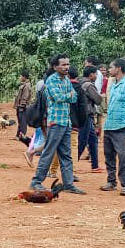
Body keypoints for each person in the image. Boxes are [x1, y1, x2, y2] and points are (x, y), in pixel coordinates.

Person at [29, 54, 86, 195]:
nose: (67, 67)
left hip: (65, 122)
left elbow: (74, 97)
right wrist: (68, 95)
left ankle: (68, 184)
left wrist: (67, 96)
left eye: (68, 64)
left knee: (66, 154)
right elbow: (60, 97)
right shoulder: (52, 80)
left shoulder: (65, 79)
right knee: (48, 152)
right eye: (63, 65)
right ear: (55, 67)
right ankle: (36, 181)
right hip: (56, 122)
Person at [100, 58, 125, 196]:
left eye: (111, 67)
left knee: (121, 155)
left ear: (118, 68)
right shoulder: (113, 84)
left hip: (121, 125)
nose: (109, 70)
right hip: (109, 124)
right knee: (108, 154)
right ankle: (111, 181)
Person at [78, 65, 102, 172]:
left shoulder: (80, 82)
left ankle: (95, 165)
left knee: (93, 140)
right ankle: (71, 165)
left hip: (82, 115)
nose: (96, 76)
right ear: (91, 74)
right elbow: (98, 100)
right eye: (95, 74)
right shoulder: (89, 86)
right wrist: (102, 96)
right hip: (87, 116)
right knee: (82, 141)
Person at [14, 70, 32, 142]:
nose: (20, 77)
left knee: (23, 122)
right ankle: (18, 135)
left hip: (23, 108)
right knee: (20, 122)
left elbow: (25, 97)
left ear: (24, 77)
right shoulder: (24, 85)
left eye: (21, 76)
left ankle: (22, 136)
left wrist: (21, 106)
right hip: (20, 107)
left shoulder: (27, 86)